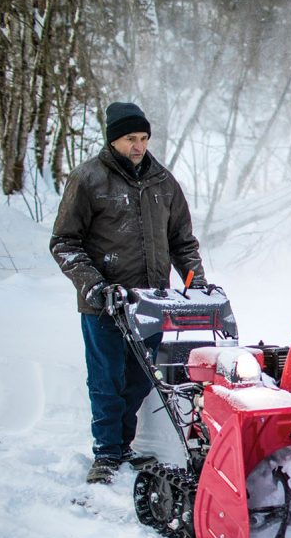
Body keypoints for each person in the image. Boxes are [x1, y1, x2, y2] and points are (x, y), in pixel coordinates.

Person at [50, 102, 208, 484]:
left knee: (140, 380)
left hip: (152, 304)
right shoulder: (88, 179)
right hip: (104, 304)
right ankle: (106, 454)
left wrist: (195, 284)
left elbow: (182, 243)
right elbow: (64, 243)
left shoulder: (163, 182)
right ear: (112, 140)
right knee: (107, 380)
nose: (138, 146)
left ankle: (123, 445)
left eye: (142, 138)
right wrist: (96, 286)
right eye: (129, 139)